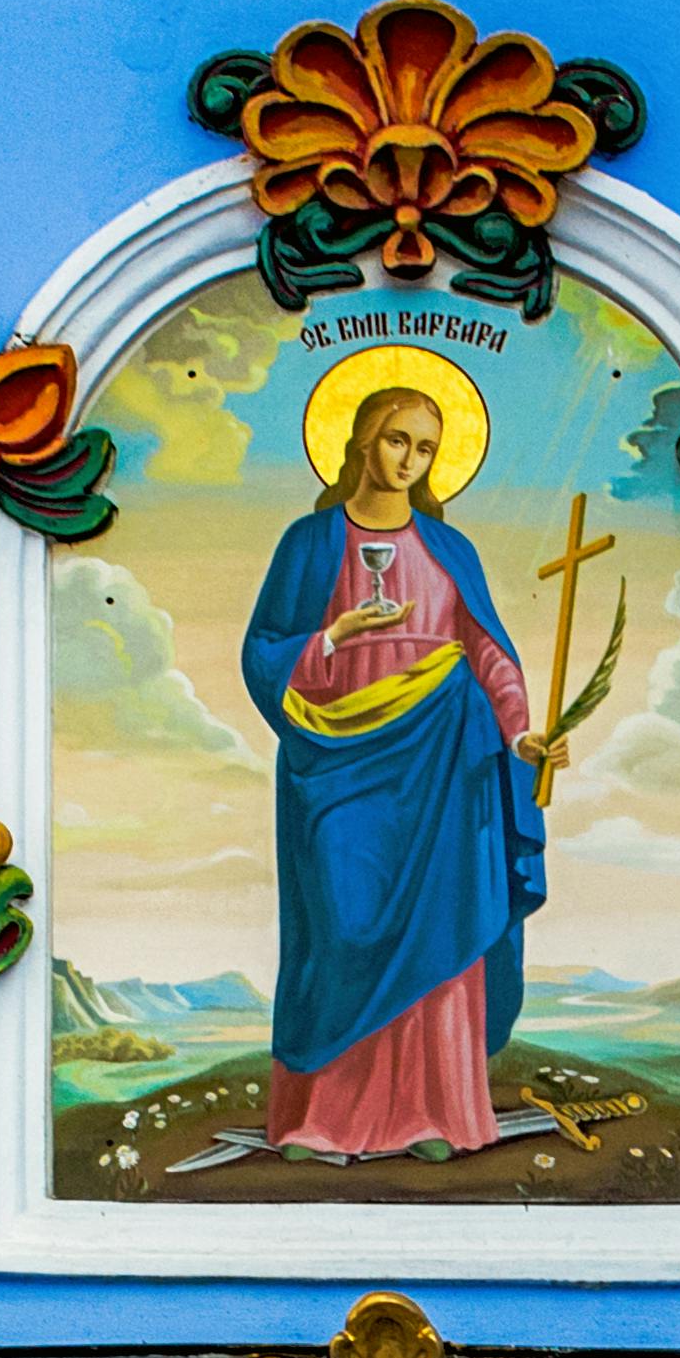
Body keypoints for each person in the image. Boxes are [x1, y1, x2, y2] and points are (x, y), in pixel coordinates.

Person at [238, 369, 551, 1164]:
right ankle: (320, 1119)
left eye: (426, 448)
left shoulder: (449, 549)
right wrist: (336, 636)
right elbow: (262, 651)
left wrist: (518, 735)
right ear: (360, 442)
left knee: (442, 923)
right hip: (336, 762)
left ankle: (432, 1116)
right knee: (339, 922)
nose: (409, 458)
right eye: (397, 440)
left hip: (447, 757)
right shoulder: (308, 543)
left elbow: (489, 651)